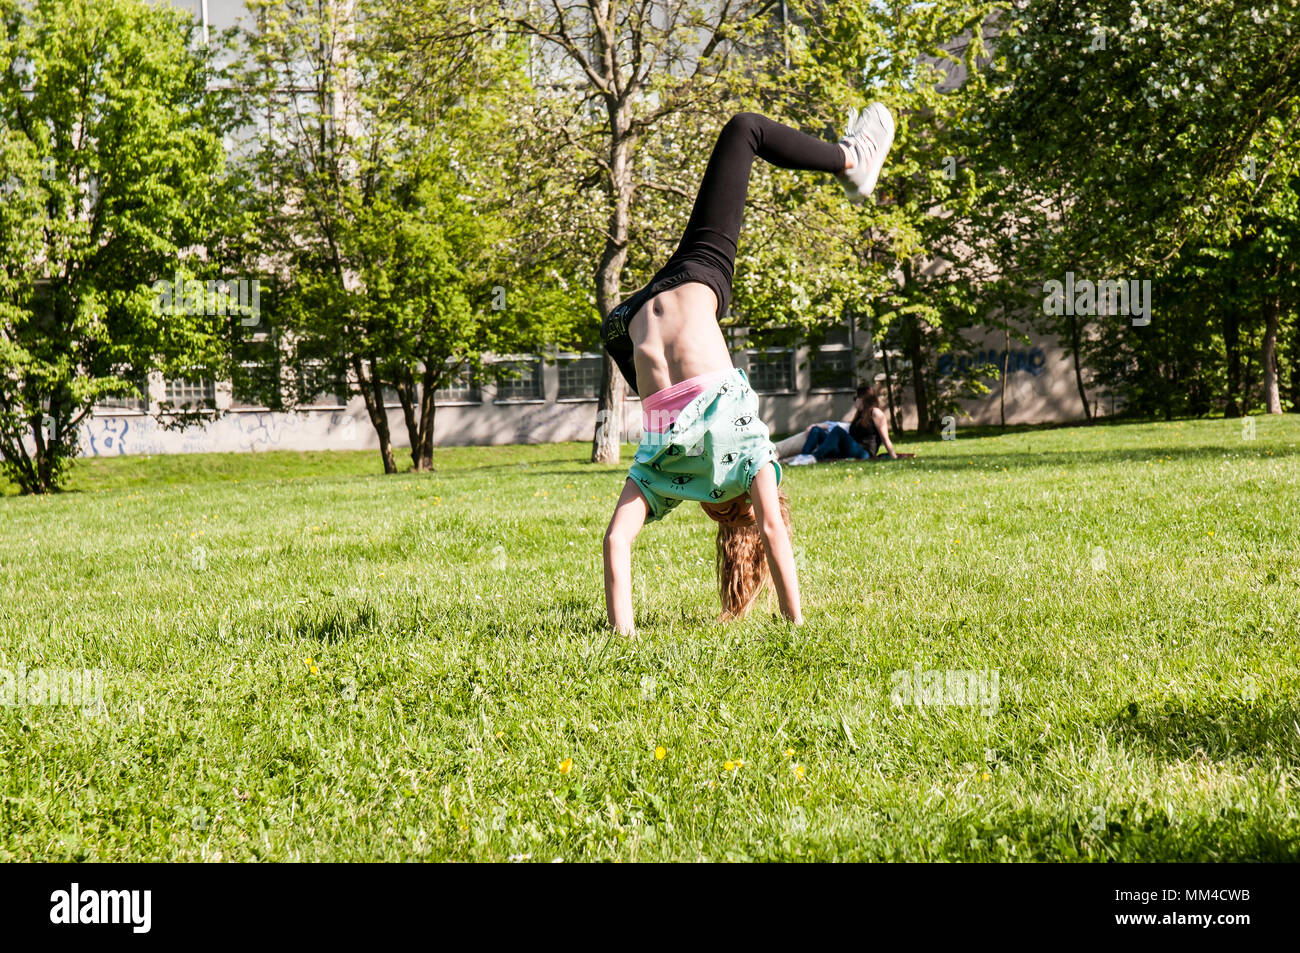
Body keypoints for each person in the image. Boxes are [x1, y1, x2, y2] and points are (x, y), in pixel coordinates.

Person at [599, 106, 896, 635]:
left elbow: (773, 529)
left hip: (667, 294)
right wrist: (795, 625)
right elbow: (618, 542)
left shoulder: (683, 471)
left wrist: (625, 640)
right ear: (719, 513)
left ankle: (851, 159)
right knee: (742, 131)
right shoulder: (682, 475)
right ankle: (850, 162)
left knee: (745, 129)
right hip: (659, 305)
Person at [849, 385, 911, 460]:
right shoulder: (859, 415)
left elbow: (885, 438)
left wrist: (893, 456)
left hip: (865, 452)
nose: (854, 401)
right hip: (854, 449)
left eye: (856, 398)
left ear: (863, 399)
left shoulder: (875, 413)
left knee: (837, 431)